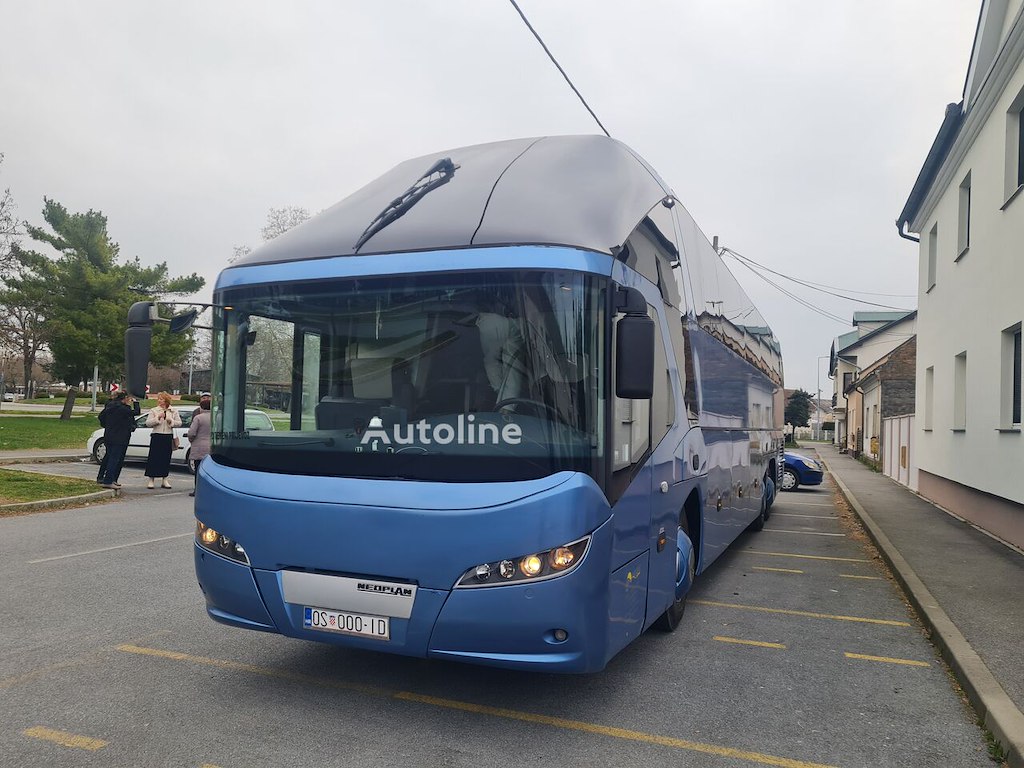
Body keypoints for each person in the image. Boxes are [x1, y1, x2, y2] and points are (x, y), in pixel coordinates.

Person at [96, 392, 136, 489]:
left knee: (110, 457)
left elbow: (101, 417)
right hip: (120, 437)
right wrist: (136, 402)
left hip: (109, 435)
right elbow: (136, 412)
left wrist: (107, 425)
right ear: (125, 398)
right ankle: (109, 480)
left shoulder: (110, 407)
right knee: (115, 459)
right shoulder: (123, 408)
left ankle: (107, 478)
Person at [144, 391, 182, 489]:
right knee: (154, 457)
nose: (159, 401)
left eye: (161, 399)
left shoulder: (173, 410)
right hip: (157, 435)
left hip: (168, 436)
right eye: (159, 399)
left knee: (165, 458)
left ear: (166, 400)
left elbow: (179, 423)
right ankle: (151, 479)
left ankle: (164, 479)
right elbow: (148, 423)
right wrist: (157, 418)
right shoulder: (154, 410)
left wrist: (171, 421)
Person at [186, 396, 211, 497]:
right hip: (211, 447)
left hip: (199, 447)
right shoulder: (217, 417)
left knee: (198, 470)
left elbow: (192, 433)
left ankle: (198, 490)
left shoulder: (198, 418)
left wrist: (191, 440)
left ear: (201, 408)